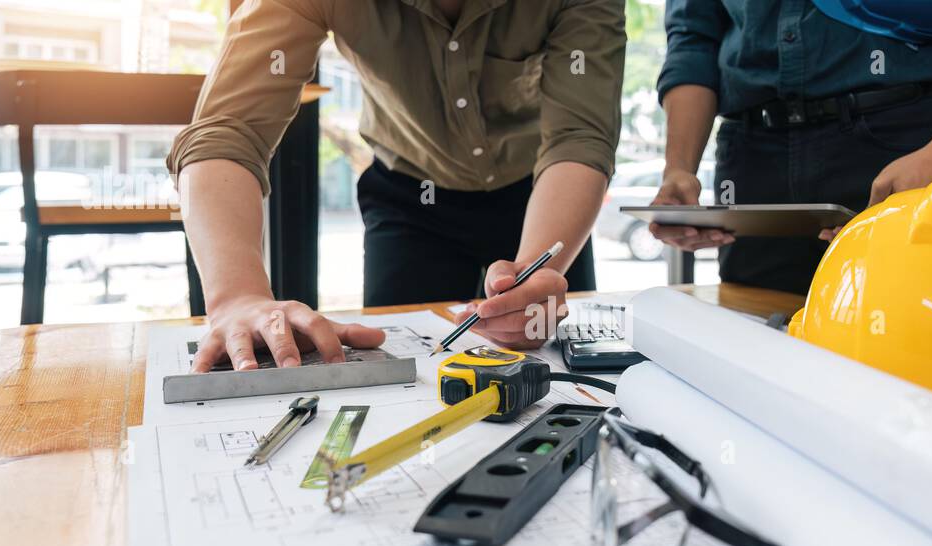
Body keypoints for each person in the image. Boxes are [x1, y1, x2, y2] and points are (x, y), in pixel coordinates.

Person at [167, 0, 626, 371]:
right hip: (411, 200)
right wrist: (237, 296)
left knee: (564, 375)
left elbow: (578, 138)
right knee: (405, 375)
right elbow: (226, 132)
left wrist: (536, 275)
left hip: (546, 202)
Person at [650, 0, 932, 294]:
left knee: (923, 369)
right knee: (759, 371)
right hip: (753, 158)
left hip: (905, 143)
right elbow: (694, 35)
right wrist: (678, 169)